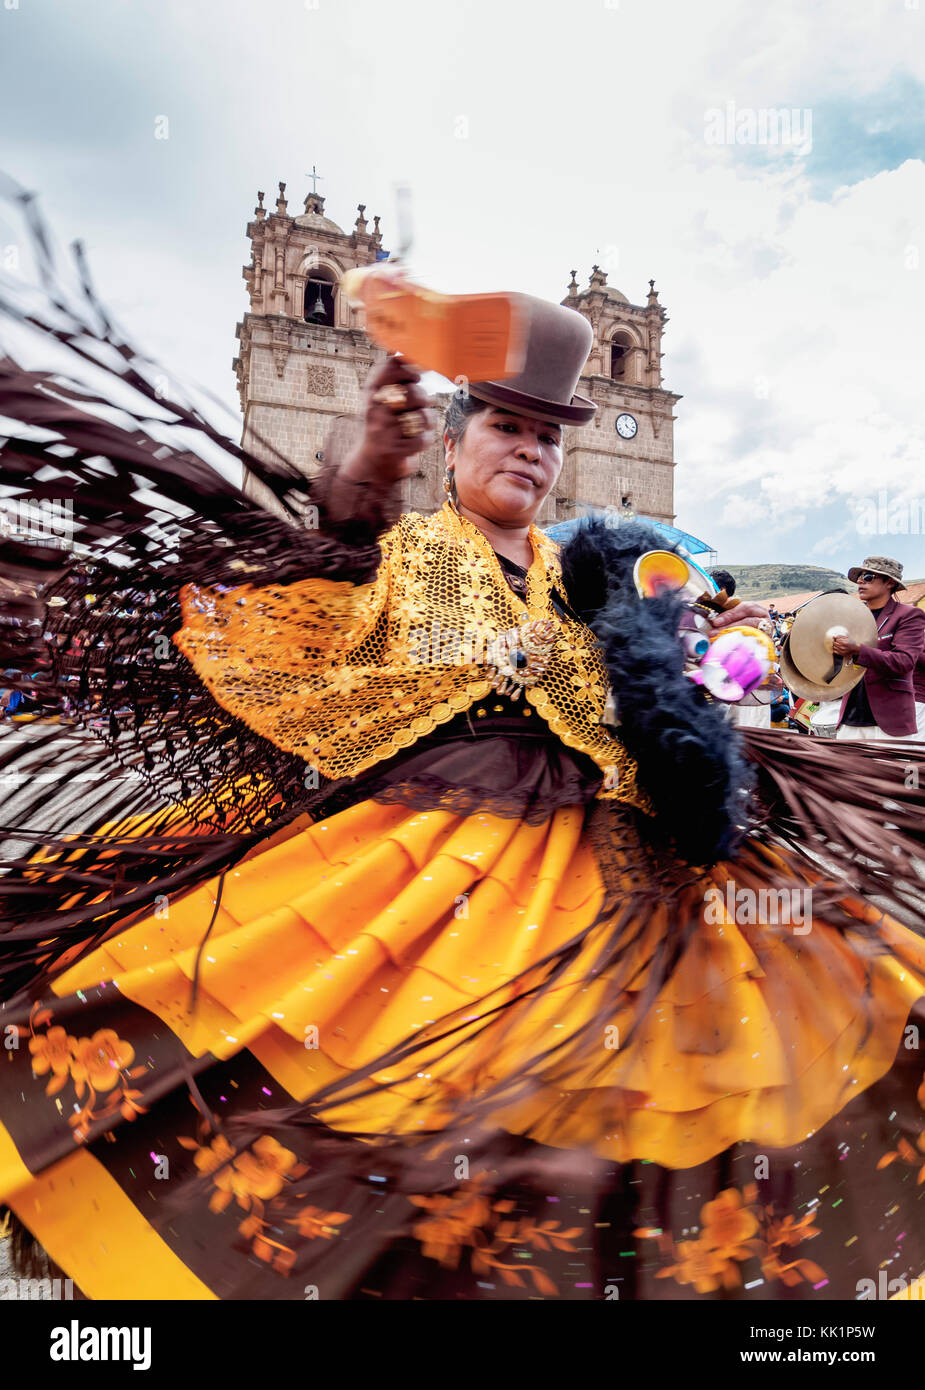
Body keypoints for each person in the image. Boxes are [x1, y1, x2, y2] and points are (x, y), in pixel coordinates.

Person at [1, 209, 924, 1303]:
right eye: (507, 429)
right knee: (436, 1116)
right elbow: (316, 573)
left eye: (547, 438)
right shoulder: (399, 550)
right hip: (426, 867)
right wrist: (360, 472)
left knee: (702, 1080)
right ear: (453, 444)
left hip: (617, 870)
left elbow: (660, 716)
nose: (530, 451)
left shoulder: (596, 581)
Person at [833, 556, 925, 742]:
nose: (860, 581)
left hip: (890, 721)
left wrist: (858, 649)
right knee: (848, 772)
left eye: (868, 577)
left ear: (890, 582)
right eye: (859, 576)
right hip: (850, 718)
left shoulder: (909, 615)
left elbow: (904, 661)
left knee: (892, 772)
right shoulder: (851, 616)